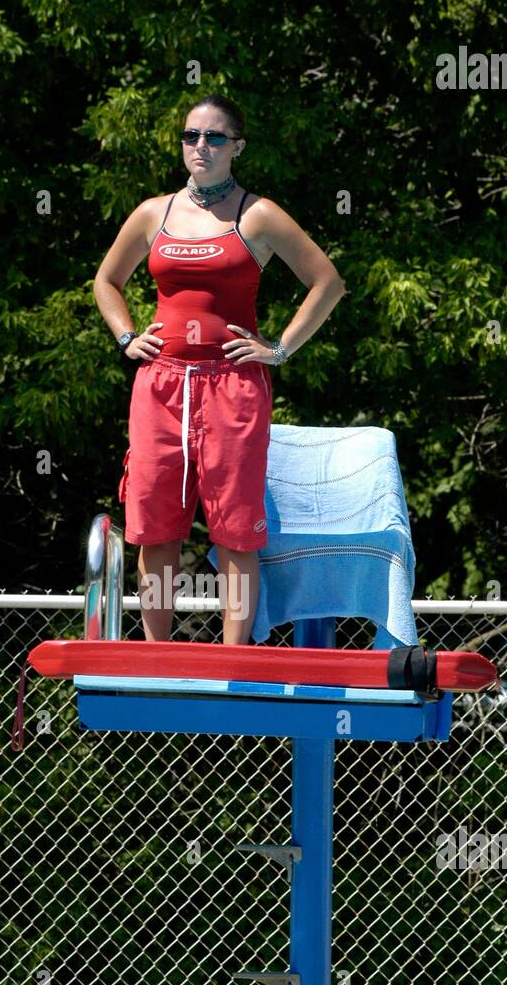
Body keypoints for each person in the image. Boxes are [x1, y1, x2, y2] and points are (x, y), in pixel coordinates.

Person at [93, 94, 345, 644]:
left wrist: (279, 348)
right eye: (190, 136)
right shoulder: (151, 212)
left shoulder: (258, 214)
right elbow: (106, 281)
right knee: (154, 527)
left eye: (213, 137)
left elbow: (328, 283)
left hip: (232, 387)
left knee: (234, 529)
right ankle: (157, 654)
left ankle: (234, 657)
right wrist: (127, 336)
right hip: (160, 384)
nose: (200, 147)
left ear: (237, 147)